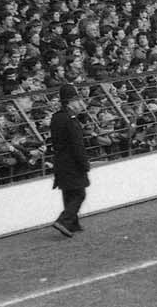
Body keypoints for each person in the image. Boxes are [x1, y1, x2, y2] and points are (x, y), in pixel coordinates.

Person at [48, 83, 90, 238]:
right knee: (79, 194)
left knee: (69, 192)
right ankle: (64, 220)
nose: (79, 104)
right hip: (72, 162)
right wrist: (84, 163)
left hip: (60, 161)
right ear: (70, 102)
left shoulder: (56, 118)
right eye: (77, 100)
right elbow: (77, 145)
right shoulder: (70, 120)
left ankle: (73, 223)